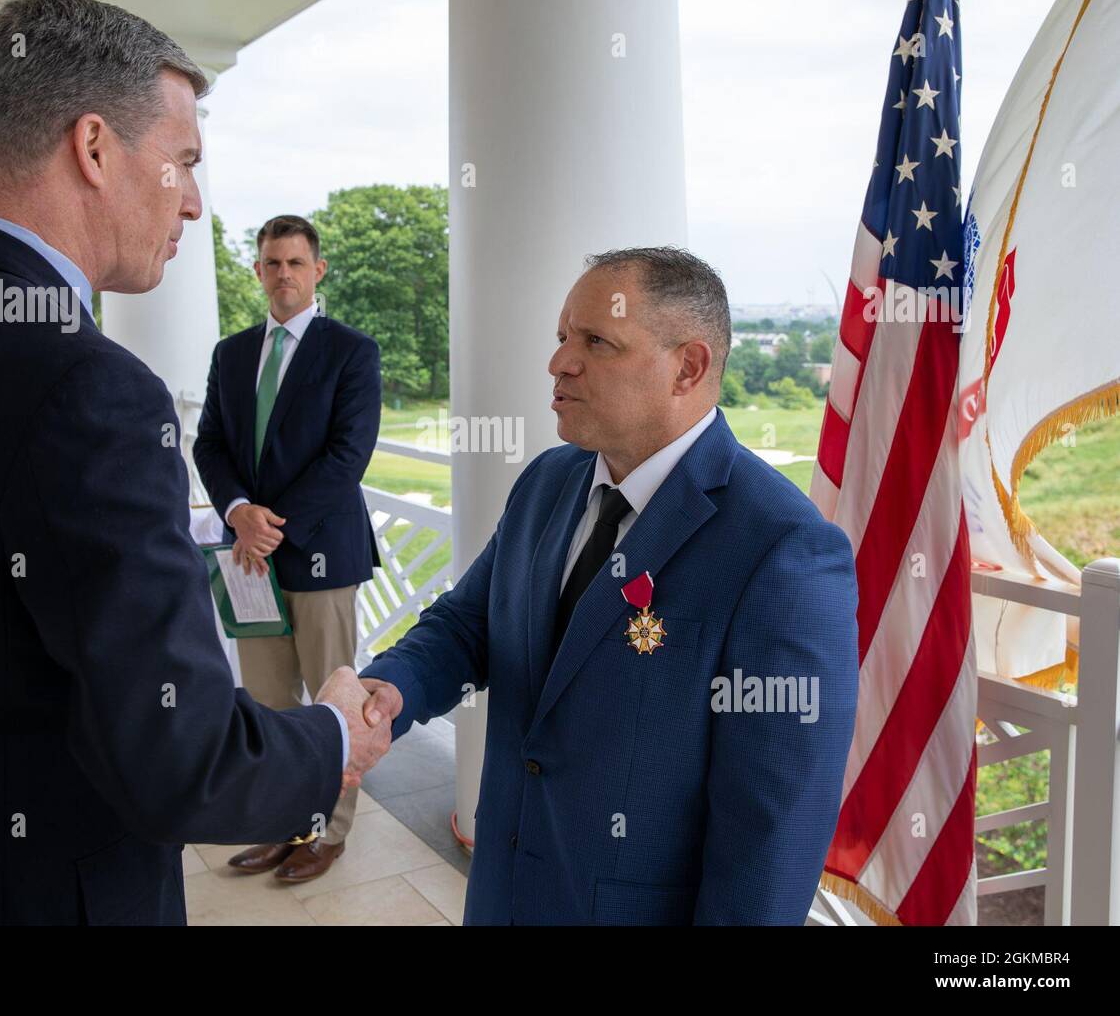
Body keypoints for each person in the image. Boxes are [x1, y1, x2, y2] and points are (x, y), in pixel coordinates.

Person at [0, 0, 390, 926]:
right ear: (93, 148)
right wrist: (331, 735)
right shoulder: (91, 386)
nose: (197, 202)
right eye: (184, 162)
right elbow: (179, 758)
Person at [359, 247, 859, 925]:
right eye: (564, 336)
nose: (560, 361)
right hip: (501, 895)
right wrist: (390, 690)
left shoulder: (781, 548)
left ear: (688, 366)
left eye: (597, 341)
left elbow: (771, 832)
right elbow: (470, 623)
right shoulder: (547, 482)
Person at [193, 214, 382, 883]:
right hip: (248, 560)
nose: (283, 275)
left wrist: (276, 524)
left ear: (318, 270)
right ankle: (282, 824)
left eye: (296, 263)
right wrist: (241, 514)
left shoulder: (351, 351)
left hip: (321, 551)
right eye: (272, 263)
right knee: (269, 703)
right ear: (258, 271)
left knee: (335, 704)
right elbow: (208, 444)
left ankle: (327, 834)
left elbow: (348, 454)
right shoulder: (232, 353)